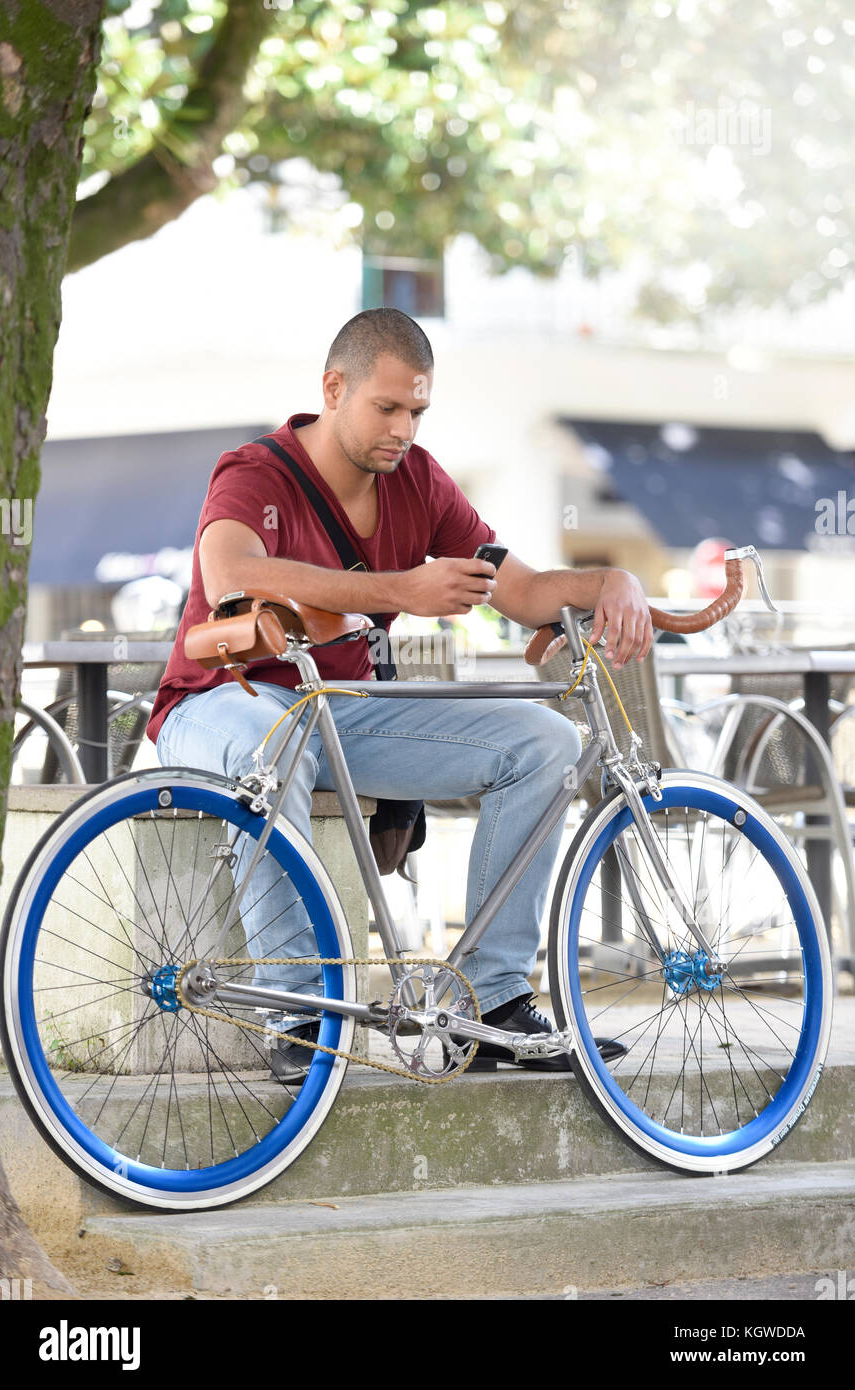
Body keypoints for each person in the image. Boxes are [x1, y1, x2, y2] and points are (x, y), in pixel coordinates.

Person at [147, 308, 652, 1081]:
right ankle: (298, 1012)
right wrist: (402, 590)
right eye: (387, 407)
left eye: (417, 410)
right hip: (219, 701)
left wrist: (612, 581)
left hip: (339, 706)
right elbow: (230, 576)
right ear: (334, 388)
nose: (404, 428)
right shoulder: (256, 472)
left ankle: (487, 1002)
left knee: (545, 741)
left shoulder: (419, 482)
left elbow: (519, 590)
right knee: (278, 738)